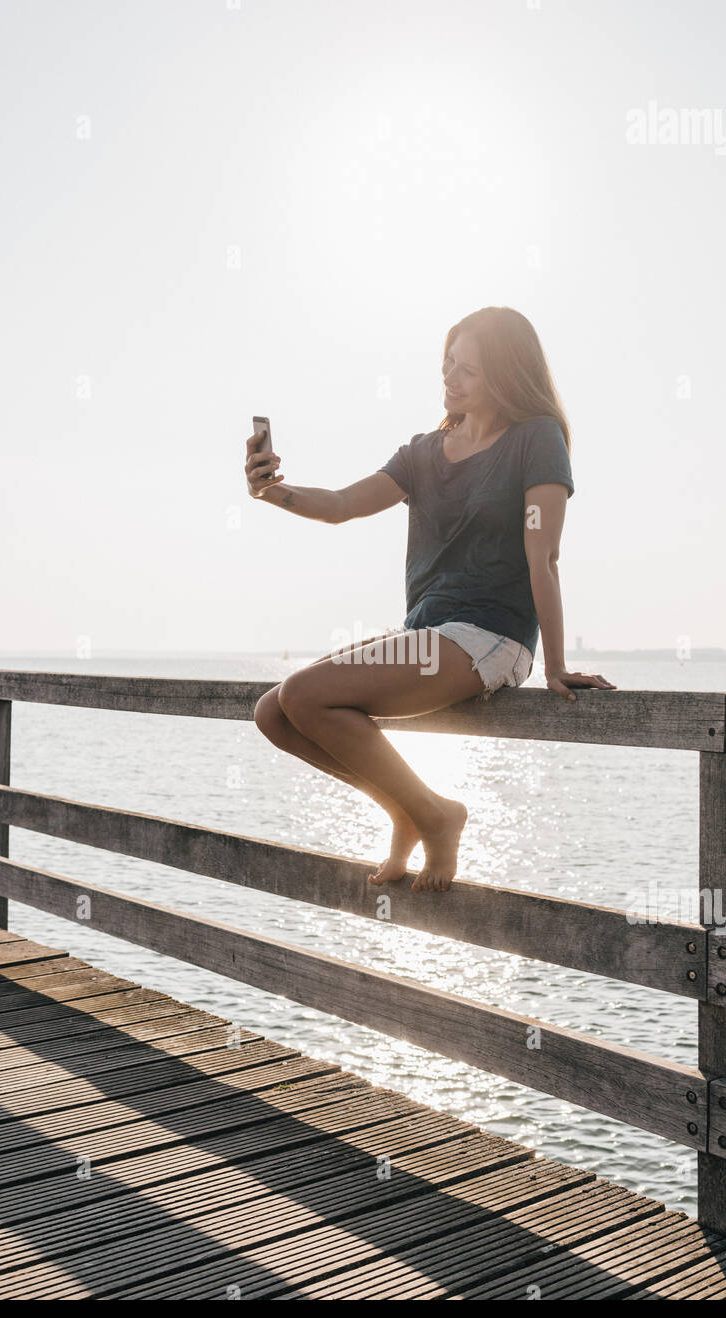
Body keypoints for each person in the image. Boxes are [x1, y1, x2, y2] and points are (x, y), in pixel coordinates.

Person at [247, 306, 615, 892]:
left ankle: (438, 817)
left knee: (302, 694)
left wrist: (555, 666)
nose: (451, 377)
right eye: (449, 362)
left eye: (469, 369)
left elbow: (543, 555)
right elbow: (341, 505)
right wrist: (274, 492)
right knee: (275, 712)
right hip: (426, 635)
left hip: (492, 637)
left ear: (506, 375)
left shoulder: (536, 439)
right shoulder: (423, 452)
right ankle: (408, 808)